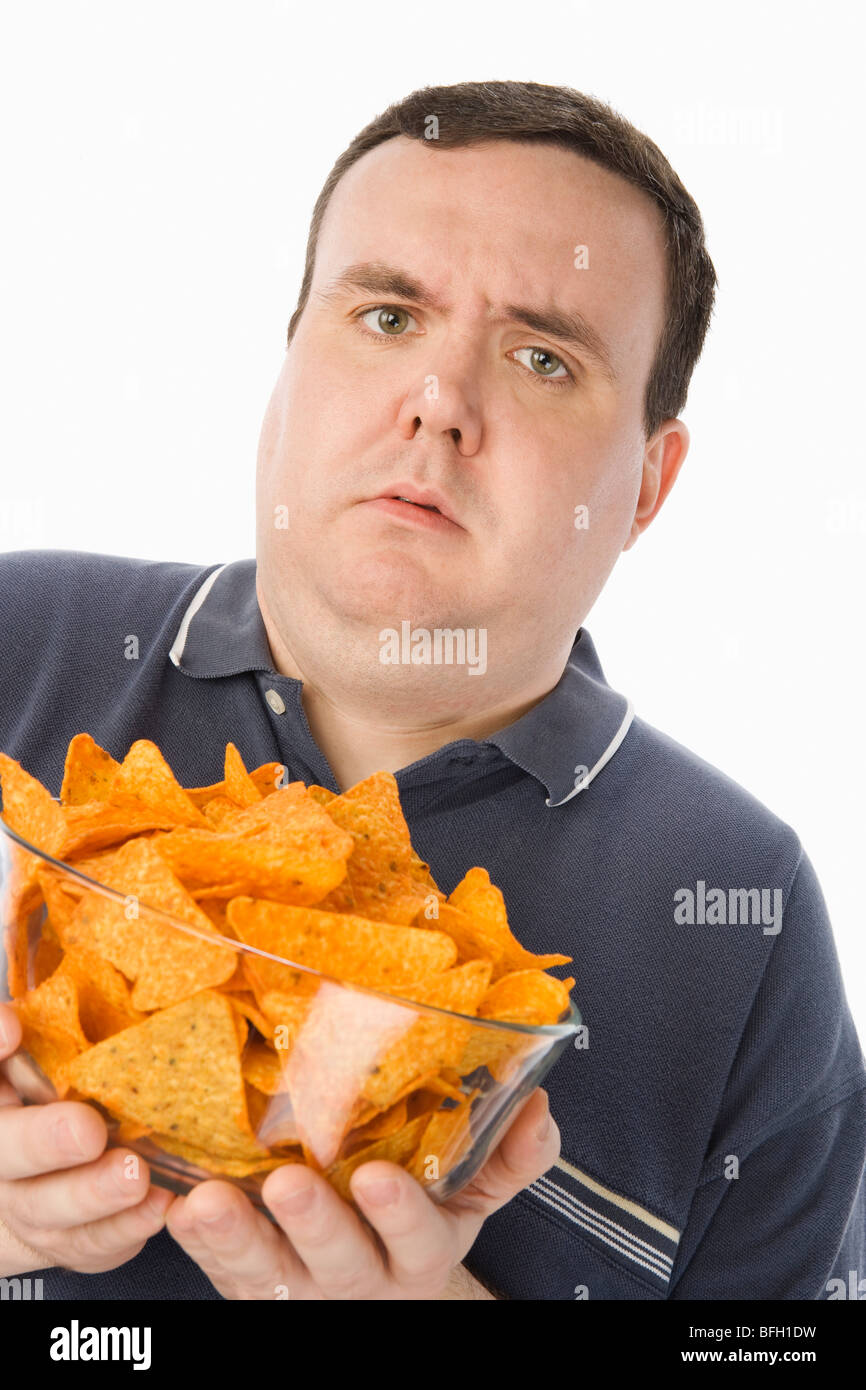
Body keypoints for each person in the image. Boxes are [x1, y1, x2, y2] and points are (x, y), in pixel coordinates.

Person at [1, 79, 864, 1301]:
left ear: (643, 489)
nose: (439, 402)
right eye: (389, 315)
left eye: (539, 356)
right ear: (287, 362)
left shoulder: (741, 914)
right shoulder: (19, 652)